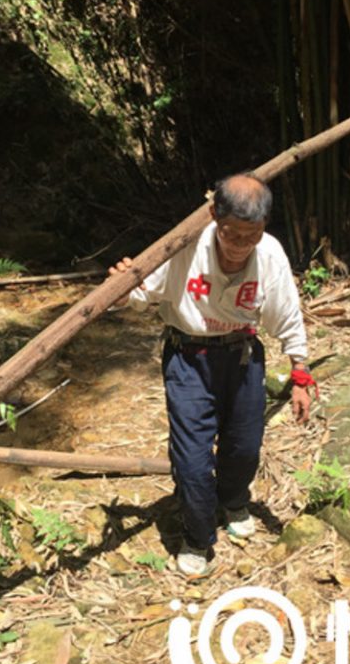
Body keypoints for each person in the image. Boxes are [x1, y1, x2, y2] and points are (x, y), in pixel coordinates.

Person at [109, 173, 314, 577]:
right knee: (191, 459)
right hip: (188, 359)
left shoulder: (269, 254)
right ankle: (198, 537)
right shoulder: (183, 249)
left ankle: (234, 500)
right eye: (230, 233)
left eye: (250, 235)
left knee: (243, 445)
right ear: (212, 216)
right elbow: (135, 295)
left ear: (263, 228)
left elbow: (287, 314)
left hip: (241, 357)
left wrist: (300, 372)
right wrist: (121, 283)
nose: (240, 245)